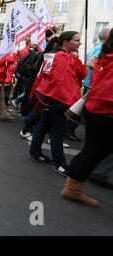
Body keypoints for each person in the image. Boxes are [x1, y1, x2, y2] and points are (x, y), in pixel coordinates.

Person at [60, 28, 113, 206]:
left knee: (92, 151)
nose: (80, 43)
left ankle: (73, 188)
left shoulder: (103, 58)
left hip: (97, 109)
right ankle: (72, 190)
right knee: (92, 152)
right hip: (105, 112)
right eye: (76, 40)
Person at [28, 31, 86, 177]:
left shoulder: (58, 56)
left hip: (48, 97)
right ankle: (59, 163)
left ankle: (35, 152)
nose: (80, 43)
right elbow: (73, 79)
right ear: (66, 42)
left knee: (44, 124)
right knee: (58, 130)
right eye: (77, 40)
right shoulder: (64, 58)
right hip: (57, 99)